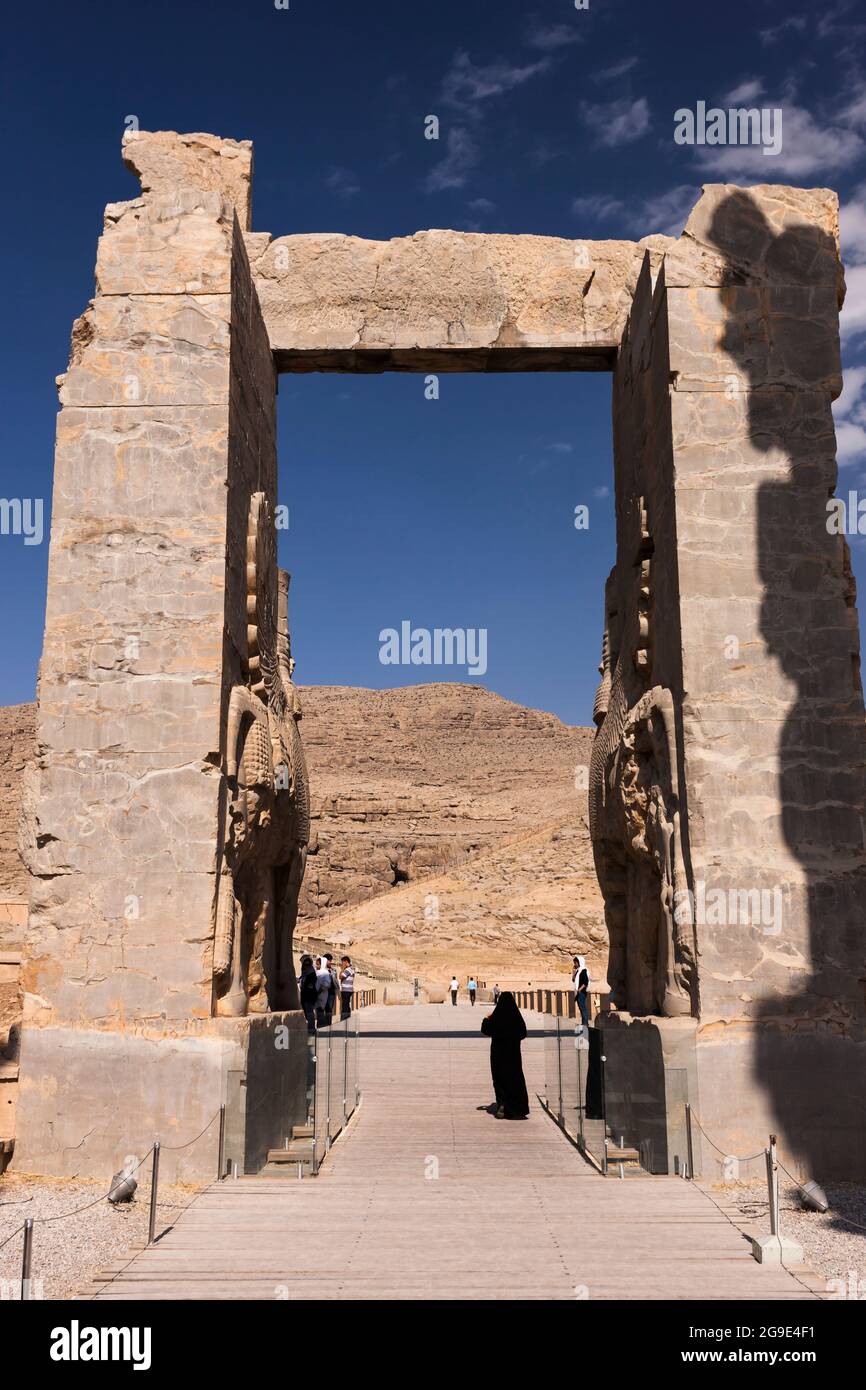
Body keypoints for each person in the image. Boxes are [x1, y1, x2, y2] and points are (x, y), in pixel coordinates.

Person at [481, 992, 529, 1119]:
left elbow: (485, 1029)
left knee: (500, 1080)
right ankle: (518, 1108)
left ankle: (502, 1104)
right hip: (513, 1056)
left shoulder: (496, 1017)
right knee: (515, 1080)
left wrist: (486, 1018)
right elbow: (523, 1033)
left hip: (498, 1055)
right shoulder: (516, 1017)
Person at [299, 954, 318, 1033]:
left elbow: (310, 985)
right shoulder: (306, 973)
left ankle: (311, 1028)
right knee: (306, 1011)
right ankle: (310, 1027)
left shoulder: (311, 973)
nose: (305, 966)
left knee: (309, 1012)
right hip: (305, 994)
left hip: (309, 995)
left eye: (307, 964)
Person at [573, 955, 590, 1028]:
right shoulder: (578, 971)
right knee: (581, 1007)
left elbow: (585, 982)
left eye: (576, 963)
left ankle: (585, 1023)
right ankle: (583, 1022)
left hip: (581, 992)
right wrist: (573, 972)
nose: (574, 964)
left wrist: (579, 990)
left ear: (579, 962)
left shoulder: (583, 971)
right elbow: (573, 980)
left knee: (583, 1007)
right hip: (578, 992)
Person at [315, 956, 333, 1027]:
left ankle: (321, 1027)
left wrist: (318, 992)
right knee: (318, 1011)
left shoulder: (325, 973)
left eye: (318, 964)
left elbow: (326, 985)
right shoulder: (317, 972)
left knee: (320, 1011)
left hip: (321, 995)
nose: (317, 966)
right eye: (316, 964)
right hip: (317, 994)